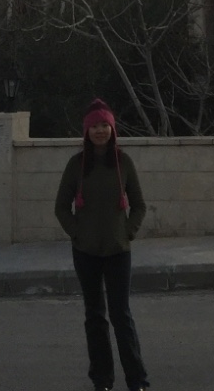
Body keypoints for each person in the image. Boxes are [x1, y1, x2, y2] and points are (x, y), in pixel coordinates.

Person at [55, 98, 150, 391]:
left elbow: (139, 206)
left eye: (104, 125)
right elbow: (61, 207)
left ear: (112, 128)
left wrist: (127, 232)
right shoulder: (76, 165)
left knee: (121, 316)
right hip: (86, 253)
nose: (100, 131)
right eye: (94, 126)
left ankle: (137, 381)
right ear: (86, 130)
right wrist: (77, 233)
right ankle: (102, 380)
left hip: (118, 252)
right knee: (95, 317)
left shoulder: (123, 163)